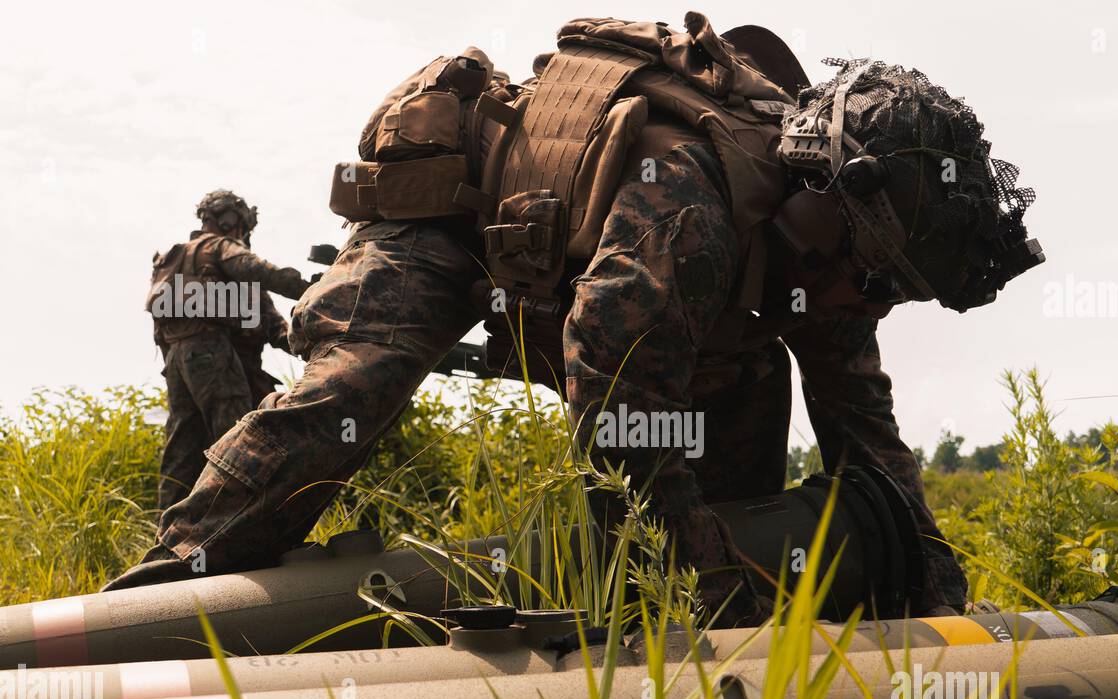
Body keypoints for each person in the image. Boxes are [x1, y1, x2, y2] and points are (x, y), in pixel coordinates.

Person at [108, 15, 1043, 625]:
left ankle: (650, 636)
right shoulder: (694, 212)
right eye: (875, 279)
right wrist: (702, 591)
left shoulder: (835, 257)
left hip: (605, 295)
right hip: (457, 227)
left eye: (896, 290)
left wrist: (939, 602)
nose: (872, 306)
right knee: (356, 386)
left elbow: (866, 442)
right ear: (823, 213)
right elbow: (616, 393)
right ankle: (161, 595)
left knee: (748, 389)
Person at [146, 190, 307, 513]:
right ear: (232, 223)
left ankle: (167, 537)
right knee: (238, 440)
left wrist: (305, 342)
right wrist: (313, 288)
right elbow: (262, 273)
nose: (243, 237)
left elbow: (269, 323)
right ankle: (236, 523)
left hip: (177, 363)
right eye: (242, 229)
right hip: (211, 356)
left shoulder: (173, 261)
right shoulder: (219, 248)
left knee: (181, 452)